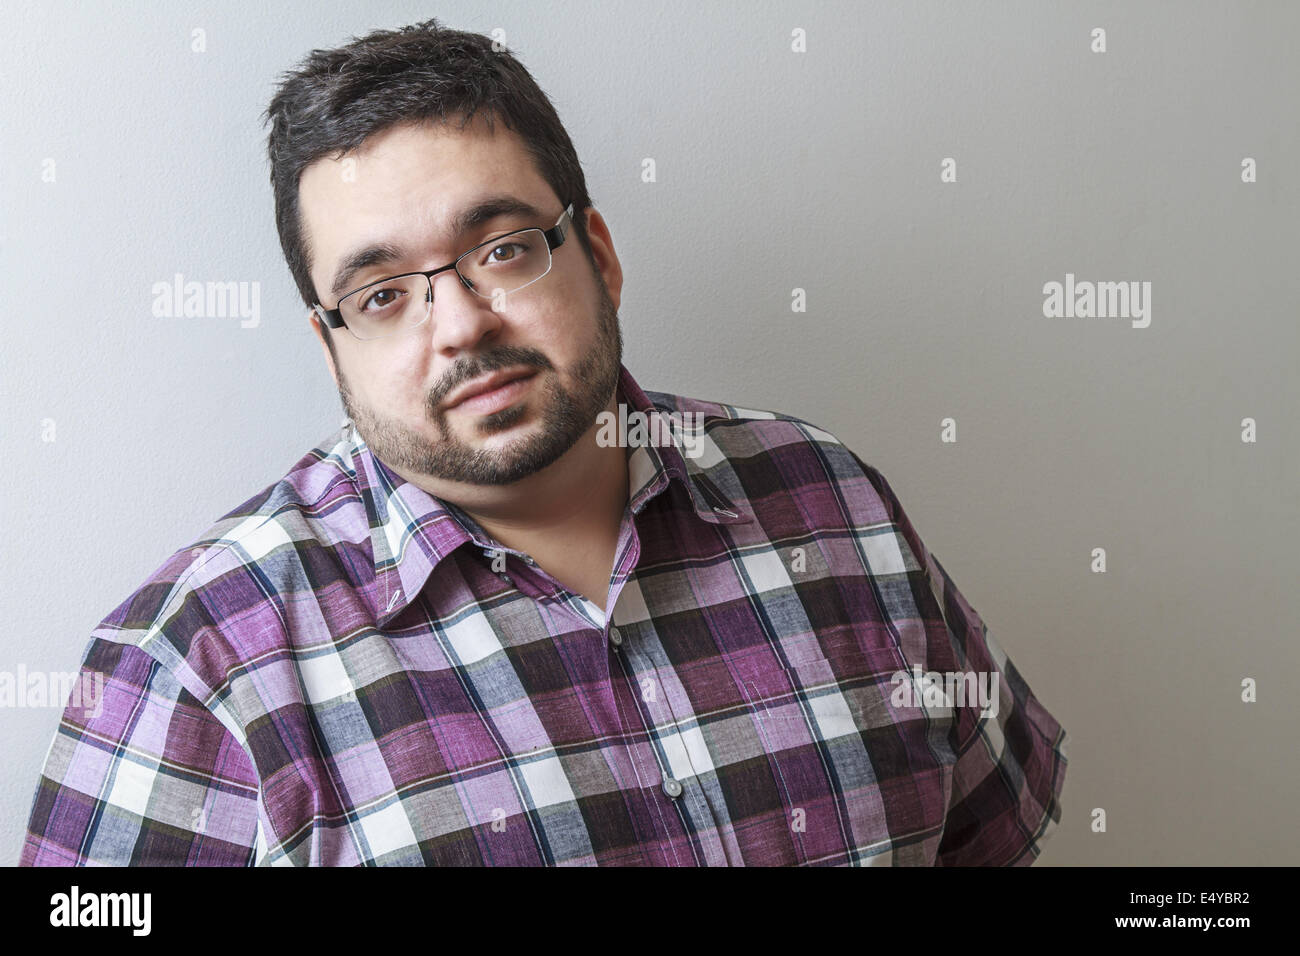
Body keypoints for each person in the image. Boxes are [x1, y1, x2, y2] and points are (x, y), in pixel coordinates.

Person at [18, 18, 1067, 866]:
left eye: (503, 248)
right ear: (330, 346)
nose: (462, 323)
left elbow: (987, 835)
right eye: (382, 295)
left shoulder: (829, 502)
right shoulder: (193, 666)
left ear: (596, 254)